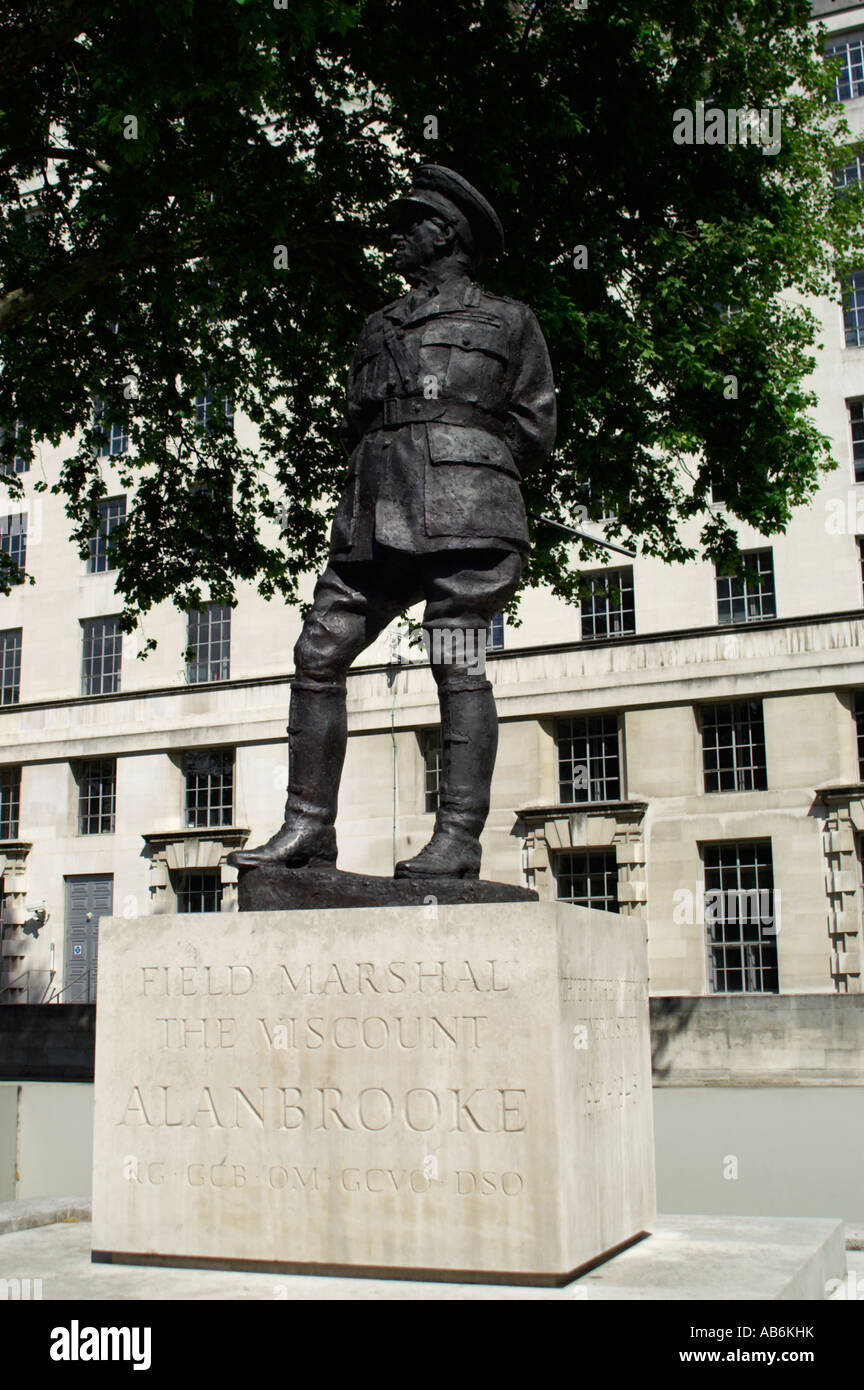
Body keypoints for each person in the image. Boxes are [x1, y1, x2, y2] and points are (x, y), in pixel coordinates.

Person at [229, 165, 556, 879]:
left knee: (455, 658)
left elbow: (534, 429)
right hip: (374, 509)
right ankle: (309, 828)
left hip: (469, 509)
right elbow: (356, 418)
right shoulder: (379, 324)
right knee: (318, 655)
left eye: (410, 225)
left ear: (447, 234)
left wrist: (464, 463)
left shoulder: (509, 320)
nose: (396, 237)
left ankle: (459, 837)